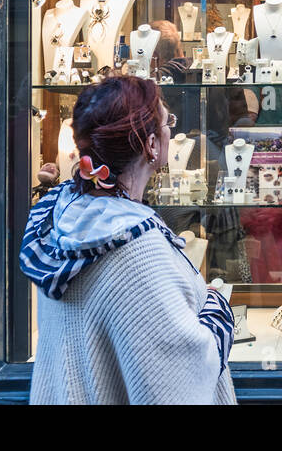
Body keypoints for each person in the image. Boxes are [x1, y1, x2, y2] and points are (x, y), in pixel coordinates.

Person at [20, 75, 236, 404]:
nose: (171, 132)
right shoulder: (136, 250)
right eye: (168, 123)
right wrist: (217, 308)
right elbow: (180, 381)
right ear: (151, 145)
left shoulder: (59, 217)